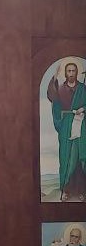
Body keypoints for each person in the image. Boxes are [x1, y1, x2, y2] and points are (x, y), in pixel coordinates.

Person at [46, 61, 86, 201]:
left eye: (73, 71)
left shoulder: (83, 88)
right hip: (66, 125)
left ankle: (81, 190)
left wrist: (84, 109)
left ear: (76, 73)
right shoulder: (61, 89)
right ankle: (66, 190)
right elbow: (52, 97)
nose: (71, 74)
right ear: (65, 73)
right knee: (66, 157)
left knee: (80, 157)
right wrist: (54, 78)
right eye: (68, 71)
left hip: (81, 125)